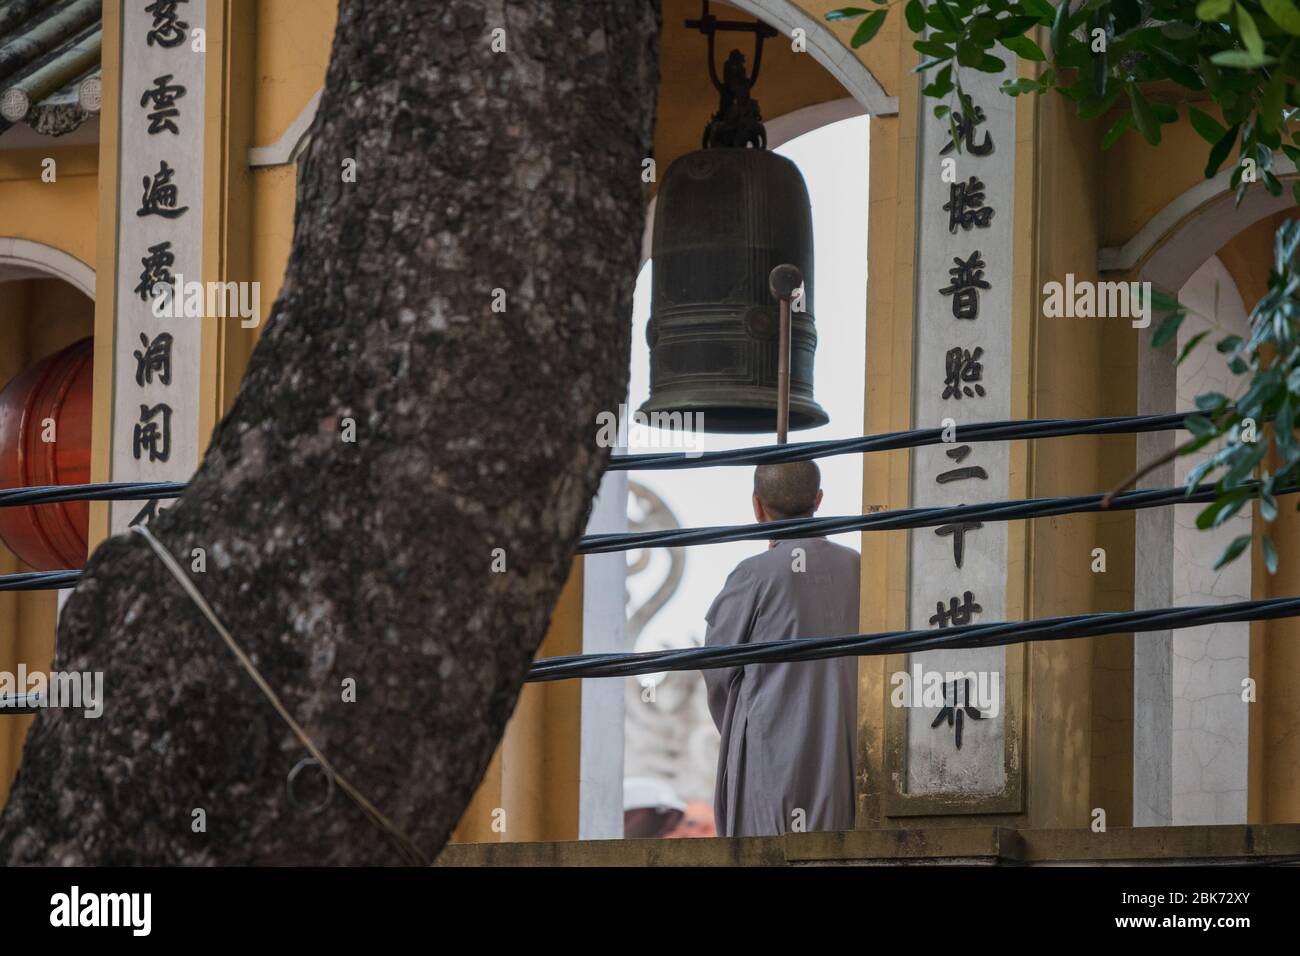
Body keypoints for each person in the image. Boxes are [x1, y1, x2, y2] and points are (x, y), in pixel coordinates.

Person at [702, 461, 860, 837]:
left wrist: (738, 726)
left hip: (770, 757)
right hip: (845, 754)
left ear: (757, 507)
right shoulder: (858, 568)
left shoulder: (753, 575)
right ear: (819, 500)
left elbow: (717, 673)